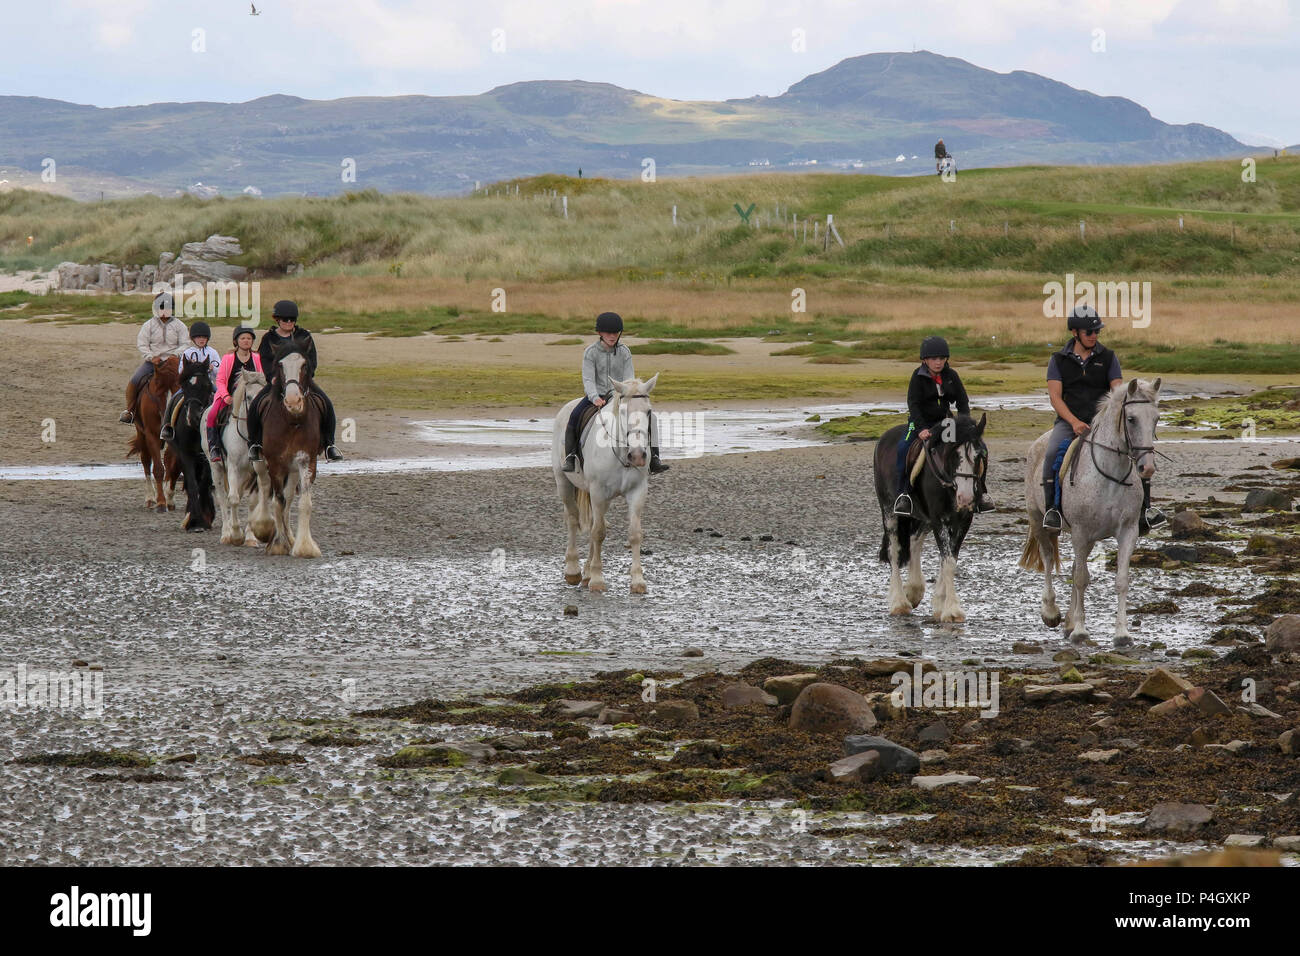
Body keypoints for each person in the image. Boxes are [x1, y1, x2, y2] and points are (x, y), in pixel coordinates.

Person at [1041, 304, 1167, 534]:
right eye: (1089, 332)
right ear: (1075, 333)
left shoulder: (1108, 357)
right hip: (1070, 421)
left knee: (1141, 452)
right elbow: (1055, 398)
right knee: (1051, 455)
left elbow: (1117, 392)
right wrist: (1074, 422)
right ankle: (1053, 510)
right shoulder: (1058, 360)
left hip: (1104, 422)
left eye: (1097, 331)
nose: (1094, 336)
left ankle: (1146, 509)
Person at [893, 336, 994, 516]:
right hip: (920, 424)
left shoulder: (951, 376)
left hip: (947, 424)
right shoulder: (917, 377)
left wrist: (966, 426)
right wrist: (922, 428)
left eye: (941, 358)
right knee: (903, 448)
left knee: (981, 449)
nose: (938, 362)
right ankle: (904, 494)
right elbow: (913, 404)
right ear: (925, 360)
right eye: (933, 359)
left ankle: (982, 492)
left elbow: (962, 401)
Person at [561, 311, 668, 475]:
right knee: (574, 415)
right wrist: (594, 397)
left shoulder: (625, 352)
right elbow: (588, 379)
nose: (612, 336)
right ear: (600, 333)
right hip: (596, 397)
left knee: (650, 417)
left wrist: (626, 395)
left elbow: (629, 379)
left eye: (616, 333)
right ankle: (570, 456)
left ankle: (654, 458)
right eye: (608, 333)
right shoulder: (590, 353)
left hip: (620, 395)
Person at [247, 300, 343, 462]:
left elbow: (312, 359)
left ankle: (329, 445)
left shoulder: (304, 336)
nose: (289, 322)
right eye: (285, 319)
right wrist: (272, 377)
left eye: (292, 319)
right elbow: (264, 360)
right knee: (256, 405)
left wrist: (306, 377)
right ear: (277, 319)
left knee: (326, 403)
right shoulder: (269, 338)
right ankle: (255, 444)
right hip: (277, 382)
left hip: (301, 381)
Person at [119, 292, 191, 424]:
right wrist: (151, 357)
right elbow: (142, 344)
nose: (165, 311)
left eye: (168, 308)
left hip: (173, 363)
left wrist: (175, 355)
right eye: (162, 307)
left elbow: (185, 344)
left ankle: (191, 411)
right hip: (153, 363)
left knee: (191, 382)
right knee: (134, 380)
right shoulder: (148, 325)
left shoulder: (179, 325)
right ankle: (130, 410)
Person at [203, 325, 264, 463]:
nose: (246, 341)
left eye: (249, 338)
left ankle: (262, 445)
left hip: (252, 397)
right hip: (229, 396)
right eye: (243, 338)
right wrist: (226, 396)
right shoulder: (228, 358)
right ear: (236, 341)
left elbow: (261, 377)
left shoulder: (257, 357)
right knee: (212, 414)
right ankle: (214, 447)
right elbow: (220, 380)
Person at [160, 320, 220, 442]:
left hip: (207, 384)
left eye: (203, 337)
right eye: (198, 337)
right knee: (173, 399)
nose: (201, 340)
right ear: (193, 339)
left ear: (207, 338)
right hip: (191, 386)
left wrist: (213, 368)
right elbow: (181, 371)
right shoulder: (187, 353)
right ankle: (167, 426)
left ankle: (221, 425)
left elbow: (220, 370)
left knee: (220, 397)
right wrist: (190, 369)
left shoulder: (212, 353)